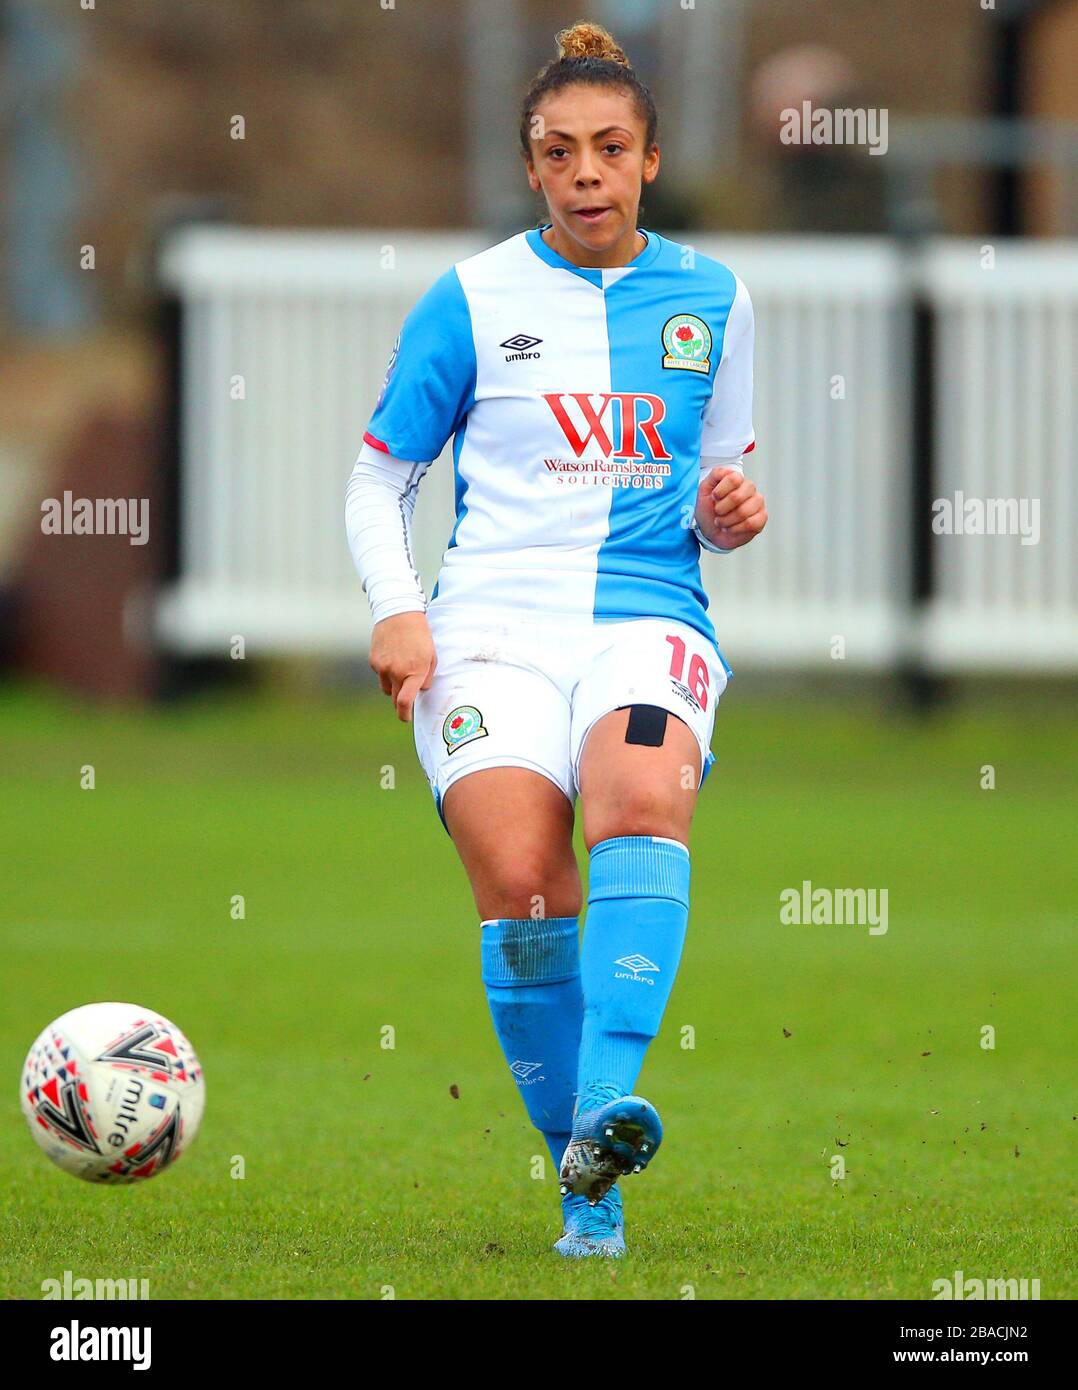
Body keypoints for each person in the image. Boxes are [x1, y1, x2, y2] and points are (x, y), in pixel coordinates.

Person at [345, 19, 767, 1259]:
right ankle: (590, 1183)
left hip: (646, 614)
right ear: (532, 167)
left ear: (648, 158)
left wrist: (730, 510)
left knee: (640, 801)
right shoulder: (469, 299)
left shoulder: (718, 298)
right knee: (525, 886)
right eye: (559, 151)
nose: (586, 171)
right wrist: (396, 605)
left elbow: (722, 481)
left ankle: (599, 1118)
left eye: (609, 148)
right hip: (487, 630)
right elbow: (380, 479)